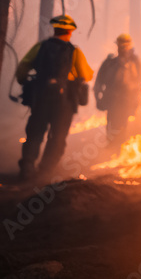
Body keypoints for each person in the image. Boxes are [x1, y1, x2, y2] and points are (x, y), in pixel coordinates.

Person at [16, 13, 93, 182]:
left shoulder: (40, 47)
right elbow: (86, 74)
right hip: (64, 102)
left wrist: (25, 81)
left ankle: (27, 168)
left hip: (40, 97)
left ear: (55, 29)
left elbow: (22, 68)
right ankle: (45, 172)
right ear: (70, 32)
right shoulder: (74, 51)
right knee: (57, 137)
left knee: (35, 133)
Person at [94, 34, 141, 145]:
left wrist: (138, 100)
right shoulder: (110, 62)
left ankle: (118, 148)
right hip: (112, 100)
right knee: (112, 124)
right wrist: (98, 98)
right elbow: (99, 82)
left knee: (123, 125)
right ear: (117, 46)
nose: (123, 49)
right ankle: (111, 147)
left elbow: (140, 81)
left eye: (125, 46)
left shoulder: (135, 63)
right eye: (121, 46)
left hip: (127, 100)